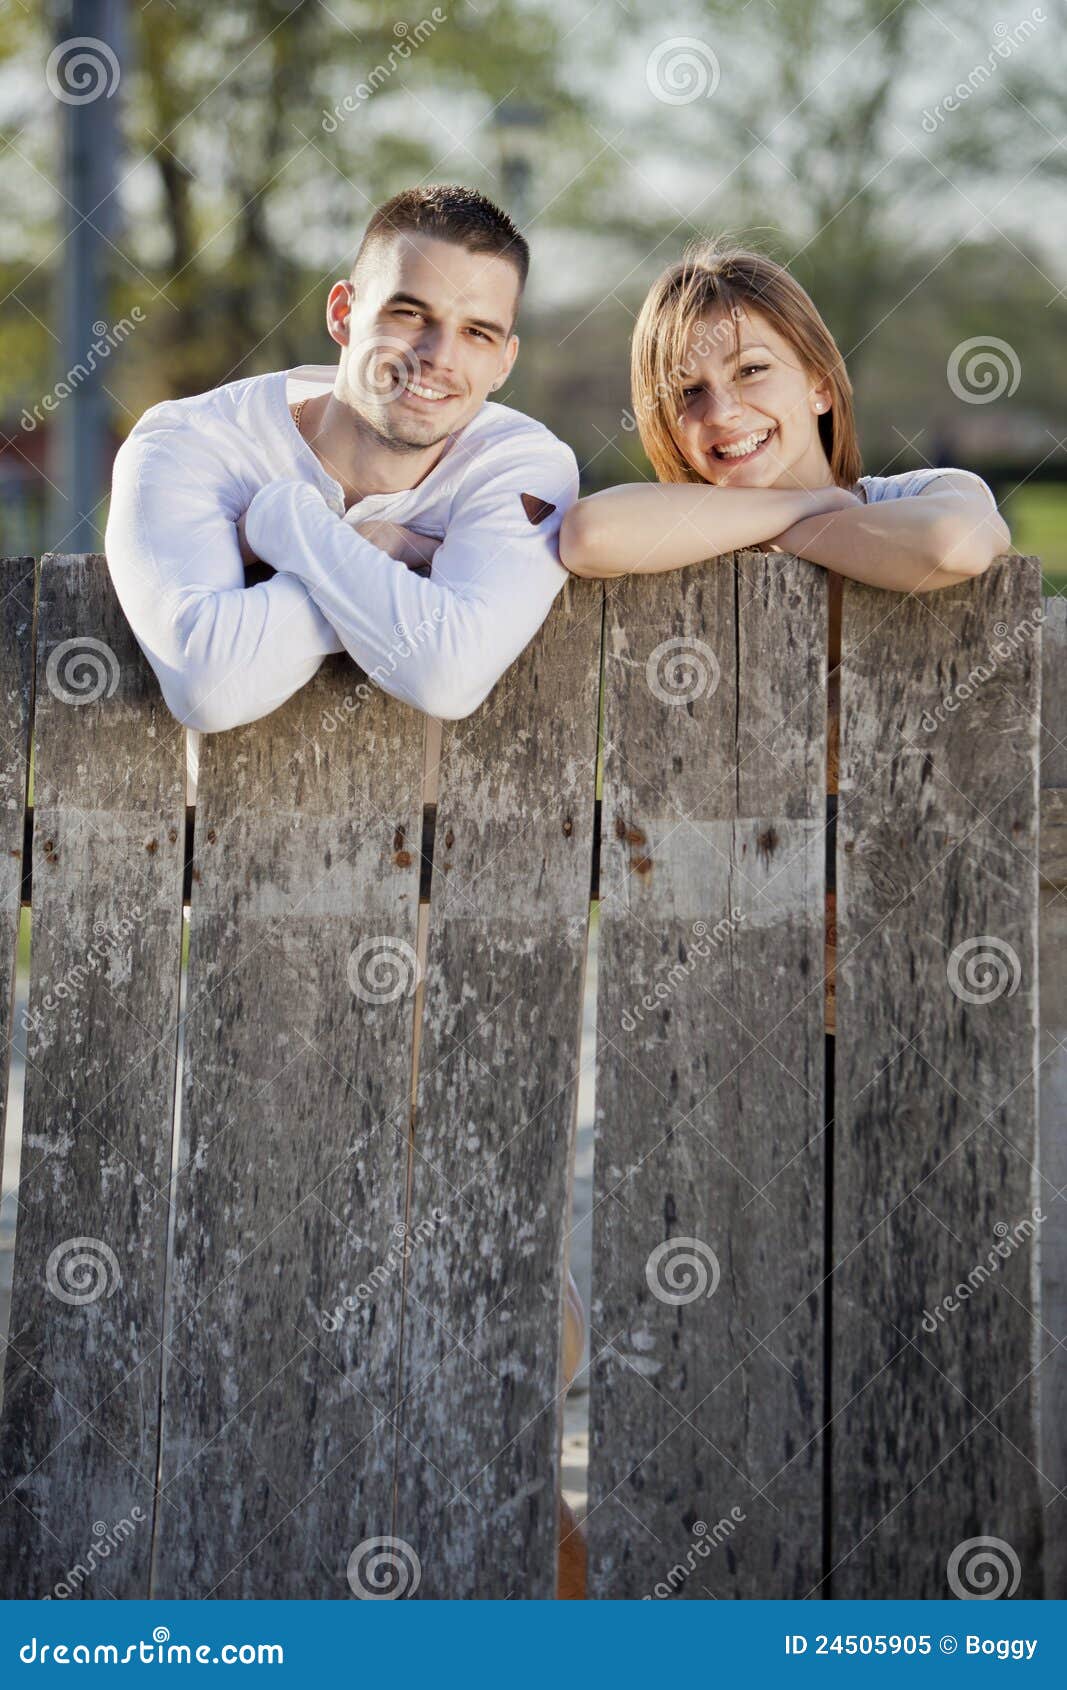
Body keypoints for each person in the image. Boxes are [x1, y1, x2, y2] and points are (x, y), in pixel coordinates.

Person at [104, 183, 588, 1597]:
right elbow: (205, 676)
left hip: (467, 928)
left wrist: (304, 538)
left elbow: (445, 671)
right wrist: (384, 572)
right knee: (261, 1299)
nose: (436, 354)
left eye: (475, 332)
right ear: (344, 315)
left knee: (497, 1311)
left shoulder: (521, 457)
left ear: (503, 354)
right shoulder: (193, 443)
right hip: (234, 927)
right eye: (408, 314)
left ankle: (513, 1595)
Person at [558, 239, 1013, 1043]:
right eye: (687, 393)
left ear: (819, 384)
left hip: (920, 921)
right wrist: (793, 514)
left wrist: (803, 524)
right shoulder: (675, 535)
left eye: (750, 372)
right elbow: (590, 532)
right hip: (723, 943)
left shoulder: (909, 495)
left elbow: (957, 543)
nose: (721, 413)